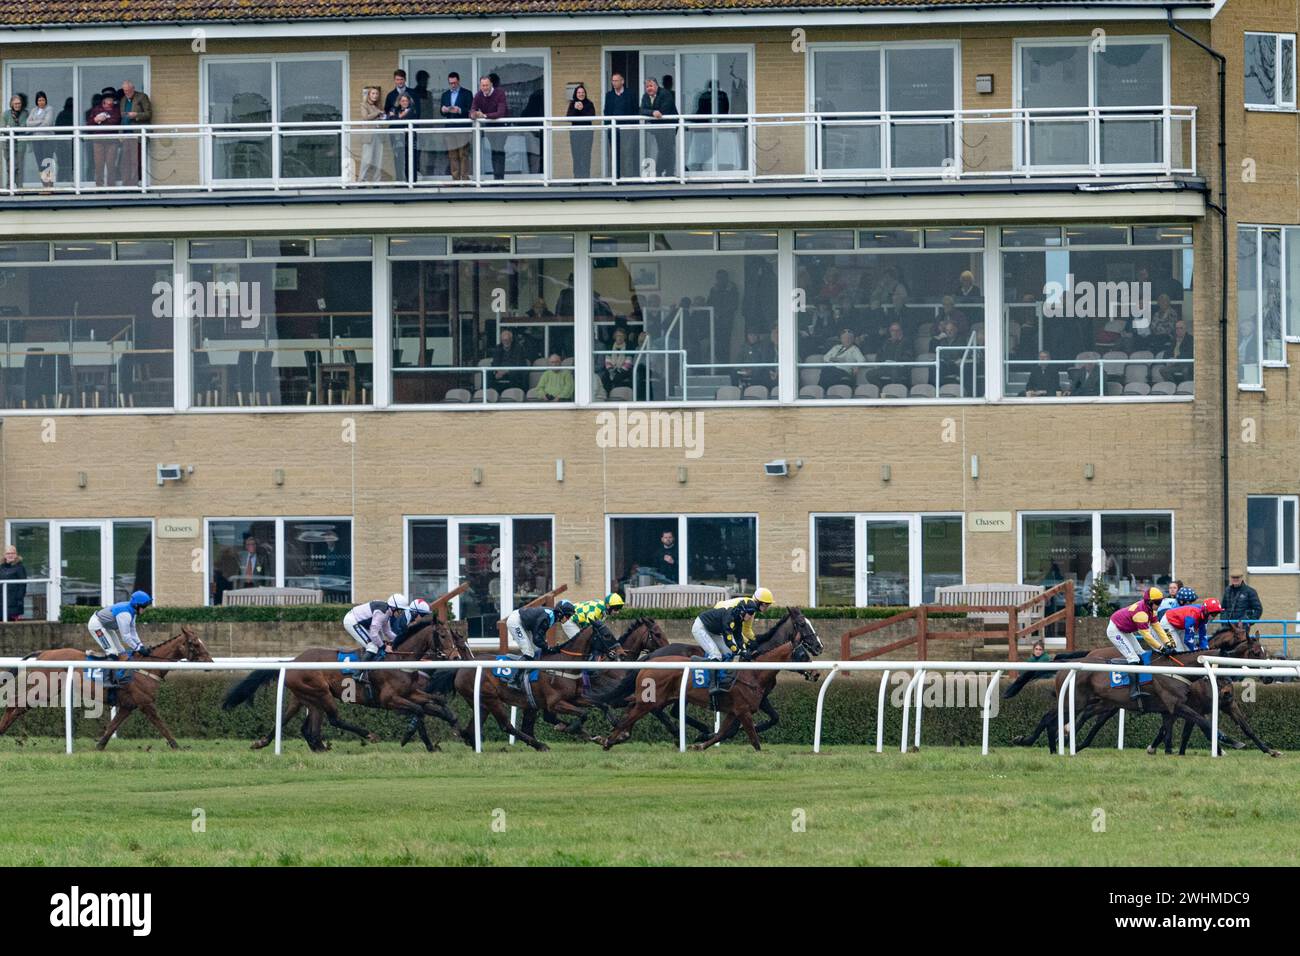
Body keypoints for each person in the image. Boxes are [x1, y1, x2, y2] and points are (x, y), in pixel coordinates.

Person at [1106, 587, 1173, 699]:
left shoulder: (1151, 609)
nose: (1160, 604)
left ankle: (1139, 686)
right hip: (1115, 630)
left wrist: (1168, 643)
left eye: (1161, 601)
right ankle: (1132, 691)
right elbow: (1147, 636)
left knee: (1141, 654)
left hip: (1124, 629)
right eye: (1158, 602)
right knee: (1133, 658)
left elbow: (1158, 627)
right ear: (1150, 602)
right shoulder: (1141, 614)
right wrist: (1161, 648)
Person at [691, 598, 759, 708]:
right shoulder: (730, 618)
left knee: (728, 653)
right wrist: (739, 651)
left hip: (713, 630)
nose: (751, 616)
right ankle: (712, 686)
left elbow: (738, 638)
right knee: (716, 655)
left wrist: (744, 650)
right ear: (742, 611)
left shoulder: (739, 619)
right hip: (701, 628)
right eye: (750, 613)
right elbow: (728, 640)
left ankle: (722, 678)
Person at [87, 591, 152, 687]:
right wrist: (138, 649)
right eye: (144, 607)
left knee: (121, 651)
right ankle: (105, 680)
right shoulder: (125, 614)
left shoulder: (132, 611)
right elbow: (126, 637)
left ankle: (117, 676)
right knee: (112, 652)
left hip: (106, 626)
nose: (145, 609)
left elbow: (133, 631)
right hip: (96, 625)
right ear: (137, 605)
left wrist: (141, 646)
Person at [343, 593, 407, 675]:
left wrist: (400, 640)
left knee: (378, 642)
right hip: (352, 621)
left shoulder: (387, 612)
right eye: (401, 610)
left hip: (361, 622)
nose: (401, 614)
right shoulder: (382, 613)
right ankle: (358, 673)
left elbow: (387, 632)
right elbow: (374, 634)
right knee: (372, 647)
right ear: (394, 608)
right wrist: (384, 647)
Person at [506, 600, 575, 661]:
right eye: (568, 616)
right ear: (560, 613)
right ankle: (516, 675)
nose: (568, 619)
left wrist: (547, 647)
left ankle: (529, 674)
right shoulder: (547, 617)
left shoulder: (552, 616)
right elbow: (537, 639)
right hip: (515, 621)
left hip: (524, 624)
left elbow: (538, 635)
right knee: (529, 653)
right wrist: (549, 648)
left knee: (535, 651)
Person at [470, 74, 508, 180]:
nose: (485, 88)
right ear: (480, 86)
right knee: (493, 151)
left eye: (486, 85)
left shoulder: (499, 93)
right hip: (489, 127)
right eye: (482, 86)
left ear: (491, 84)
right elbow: (472, 109)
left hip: (501, 127)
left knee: (499, 151)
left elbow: (501, 112)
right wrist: (473, 115)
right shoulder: (478, 95)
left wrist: (484, 116)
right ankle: (497, 178)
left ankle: (499, 180)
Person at [439, 71, 474, 180]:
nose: (453, 85)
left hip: (463, 128)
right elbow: (442, 112)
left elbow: (470, 110)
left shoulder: (467, 93)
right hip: (450, 128)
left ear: (458, 81)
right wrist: (443, 110)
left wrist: (459, 111)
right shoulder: (445, 95)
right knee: (452, 155)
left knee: (463, 154)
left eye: (454, 83)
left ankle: (465, 178)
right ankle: (455, 178)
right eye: (451, 83)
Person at [116, 79, 151, 187]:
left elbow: (149, 114)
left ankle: (135, 184)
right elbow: (121, 118)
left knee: (135, 161)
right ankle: (126, 184)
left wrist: (136, 115)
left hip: (138, 134)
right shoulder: (122, 100)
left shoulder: (142, 97)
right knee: (125, 161)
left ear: (133, 89)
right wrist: (120, 133)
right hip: (126, 134)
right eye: (125, 91)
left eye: (128, 90)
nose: (126, 93)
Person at [639, 78, 676, 177]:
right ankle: (664, 172)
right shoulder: (645, 96)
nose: (649, 89)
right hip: (658, 127)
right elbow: (642, 110)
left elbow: (664, 110)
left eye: (651, 86)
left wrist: (655, 112)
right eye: (647, 87)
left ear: (656, 86)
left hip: (669, 126)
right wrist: (652, 112)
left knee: (667, 149)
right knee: (663, 149)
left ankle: (665, 172)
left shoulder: (665, 94)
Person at [603, 72, 637, 179]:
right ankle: (616, 177)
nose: (614, 83)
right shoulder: (609, 95)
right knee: (615, 152)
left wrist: (633, 126)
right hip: (613, 129)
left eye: (616, 80)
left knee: (628, 153)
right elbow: (606, 111)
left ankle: (628, 178)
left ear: (622, 81)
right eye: (612, 81)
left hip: (627, 129)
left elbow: (635, 110)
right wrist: (609, 126)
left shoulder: (630, 94)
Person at [24, 92, 56, 187]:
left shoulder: (49, 109)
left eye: (42, 100)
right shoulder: (34, 110)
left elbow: (47, 123)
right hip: (36, 139)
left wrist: (35, 124)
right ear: (36, 101)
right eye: (39, 100)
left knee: (47, 161)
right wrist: (41, 121)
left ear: (45, 100)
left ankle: (50, 184)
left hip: (47, 139)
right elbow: (28, 123)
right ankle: (44, 184)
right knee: (39, 162)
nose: (41, 102)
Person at [358, 86, 386, 182]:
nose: (375, 96)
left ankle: (376, 181)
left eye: (377, 94)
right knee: (367, 159)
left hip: (379, 134)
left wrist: (382, 115)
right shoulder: (364, 105)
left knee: (378, 160)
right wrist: (377, 113)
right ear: (369, 95)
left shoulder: (379, 106)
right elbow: (365, 117)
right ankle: (362, 180)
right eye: (373, 93)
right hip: (369, 136)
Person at [1, 545, 28, 620]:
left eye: (12, 553)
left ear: (16, 555)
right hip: (2, 601)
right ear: (5, 555)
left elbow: (23, 585)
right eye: (8, 553)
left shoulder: (20, 567)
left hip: (14, 602)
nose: (10, 555)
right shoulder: (1, 567)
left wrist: (19, 599)